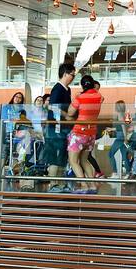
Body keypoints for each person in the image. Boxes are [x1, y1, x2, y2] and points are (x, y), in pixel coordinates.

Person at [67, 74, 104, 192]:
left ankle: (84, 186)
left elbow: (70, 112)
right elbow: (101, 99)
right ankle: (92, 185)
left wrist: (77, 96)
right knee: (84, 160)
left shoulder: (80, 97)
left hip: (79, 132)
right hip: (92, 132)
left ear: (82, 85)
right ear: (93, 84)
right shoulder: (99, 96)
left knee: (73, 161)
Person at [45, 62, 76, 191]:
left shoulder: (67, 89)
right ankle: (53, 184)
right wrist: (66, 116)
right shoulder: (57, 88)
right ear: (64, 74)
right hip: (55, 127)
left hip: (63, 128)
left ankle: (61, 184)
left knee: (62, 156)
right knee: (55, 157)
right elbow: (52, 106)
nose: (73, 77)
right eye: (72, 75)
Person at [105, 100, 131, 184]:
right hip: (122, 136)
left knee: (110, 153)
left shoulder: (120, 114)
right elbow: (121, 127)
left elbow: (123, 127)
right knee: (124, 156)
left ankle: (115, 172)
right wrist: (112, 129)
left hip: (120, 137)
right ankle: (128, 173)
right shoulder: (123, 114)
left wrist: (125, 138)